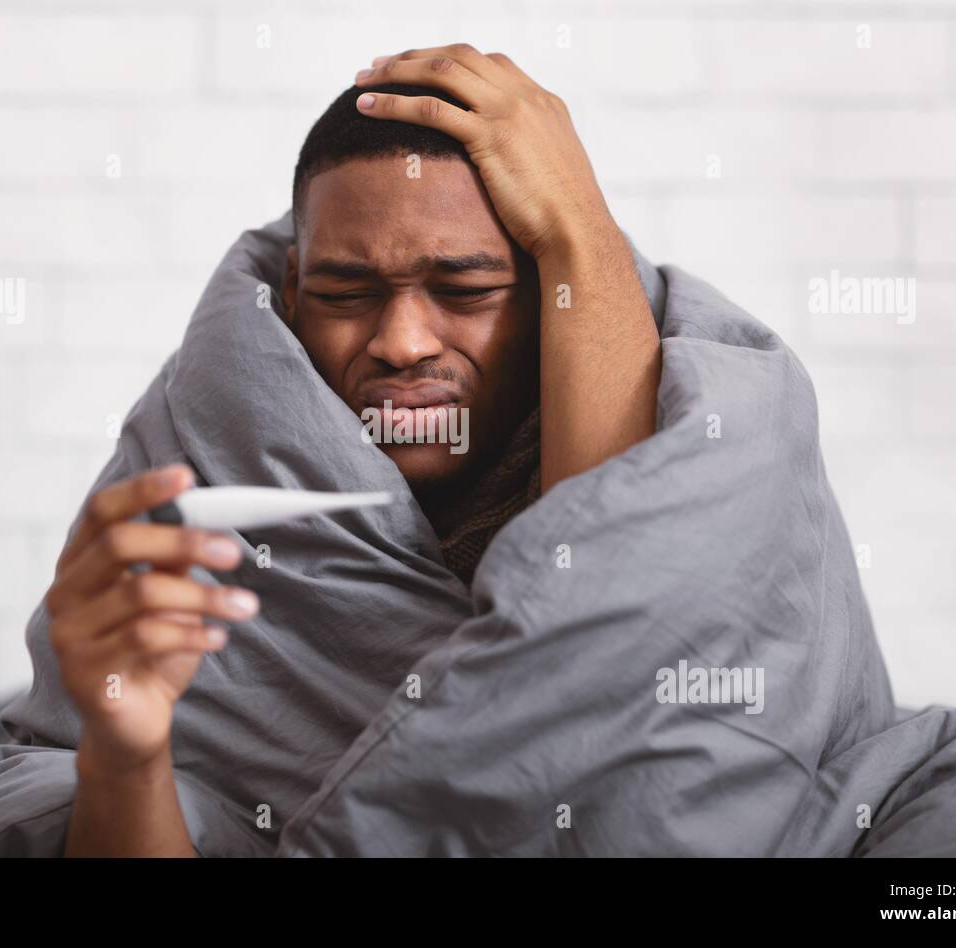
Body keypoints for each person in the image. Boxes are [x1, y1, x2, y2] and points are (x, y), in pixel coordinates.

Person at [50, 45, 663, 856]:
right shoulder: (193, 446)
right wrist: (126, 759)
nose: (402, 344)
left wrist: (579, 228)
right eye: (345, 295)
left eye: (467, 291)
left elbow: (607, 677)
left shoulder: (687, 413)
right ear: (295, 294)